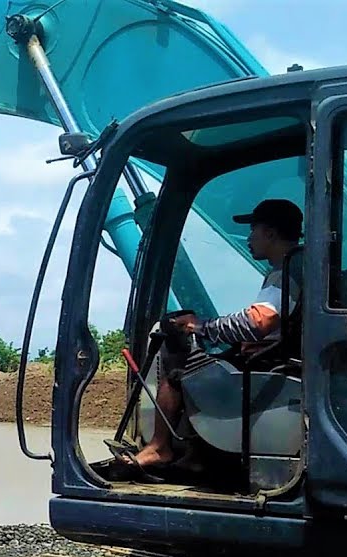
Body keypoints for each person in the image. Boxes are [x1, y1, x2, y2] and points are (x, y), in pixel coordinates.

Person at [124, 198, 304, 472]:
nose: (249, 237)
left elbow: (258, 321)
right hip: (279, 359)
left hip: (272, 368)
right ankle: (198, 456)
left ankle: (160, 448)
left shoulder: (288, 272)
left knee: (178, 371)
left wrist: (201, 326)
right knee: (208, 362)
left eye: (253, 230)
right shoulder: (304, 266)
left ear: (270, 233)